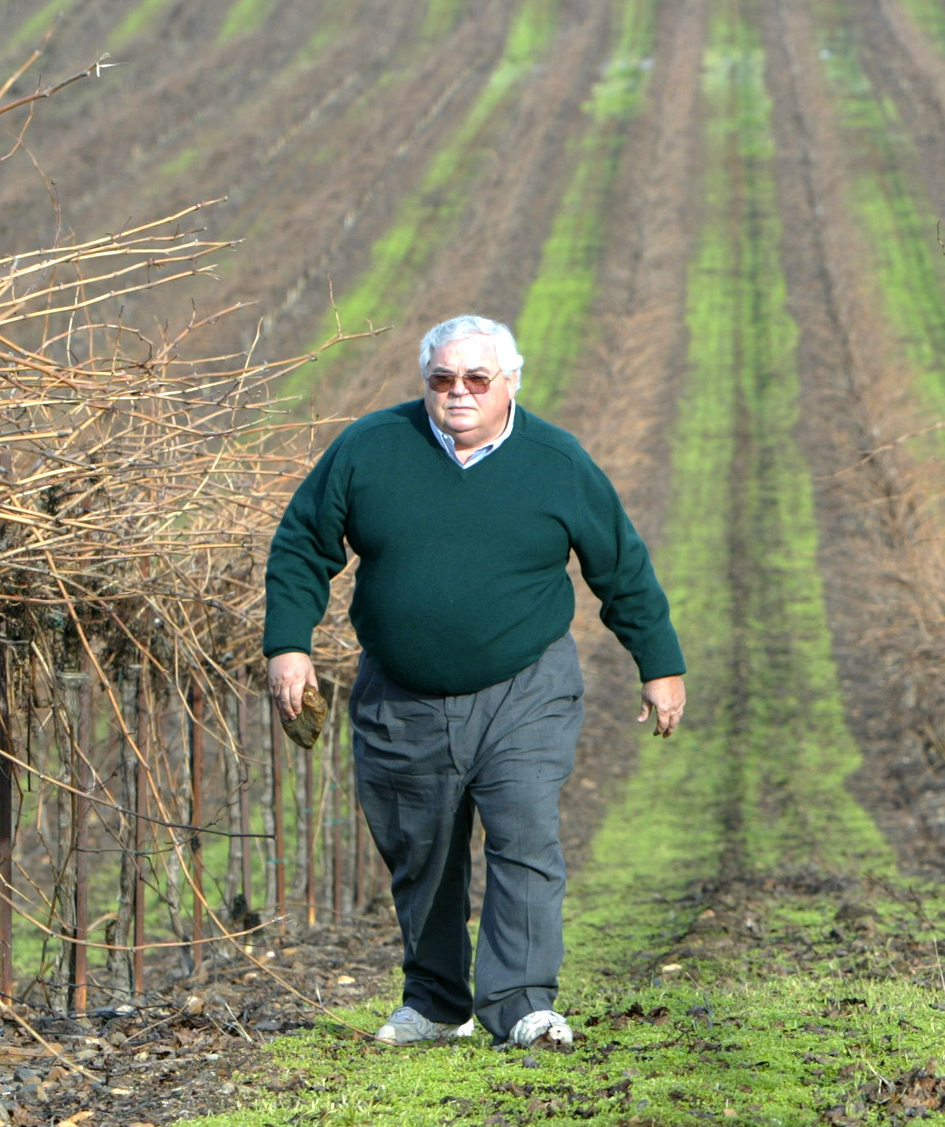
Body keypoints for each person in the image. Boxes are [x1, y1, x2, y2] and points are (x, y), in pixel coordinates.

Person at [262, 315, 686, 1049]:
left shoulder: (556, 460)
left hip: (525, 685)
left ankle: (521, 1003)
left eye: (476, 379)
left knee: (523, 830)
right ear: (425, 381)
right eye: (441, 379)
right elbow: (302, 544)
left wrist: (660, 664)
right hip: (399, 692)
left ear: (509, 383)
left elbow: (621, 565)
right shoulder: (370, 448)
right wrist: (288, 644)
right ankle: (434, 1001)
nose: (458, 392)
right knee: (419, 847)